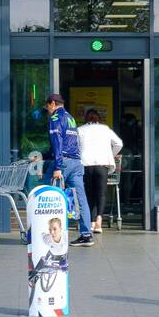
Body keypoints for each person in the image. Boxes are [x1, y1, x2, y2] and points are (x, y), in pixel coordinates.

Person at [45, 93, 94, 246]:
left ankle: (51, 233)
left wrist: (58, 167)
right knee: (81, 199)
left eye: (47, 106)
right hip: (76, 162)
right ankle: (86, 234)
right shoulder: (70, 118)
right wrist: (42, 155)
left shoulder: (55, 118)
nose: (47, 109)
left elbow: (57, 143)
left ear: (52, 103)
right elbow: (70, 143)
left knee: (49, 195)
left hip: (63, 163)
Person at [77, 108, 122, 234]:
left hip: (86, 164)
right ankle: (99, 221)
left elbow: (75, 147)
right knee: (101, 194)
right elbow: (119, 143)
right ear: (98, 119)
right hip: (102, 164)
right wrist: (110, 155)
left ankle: (90, 222)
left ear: (86, 118)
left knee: (89, 194)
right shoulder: (105, 129)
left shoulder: (80, 130)